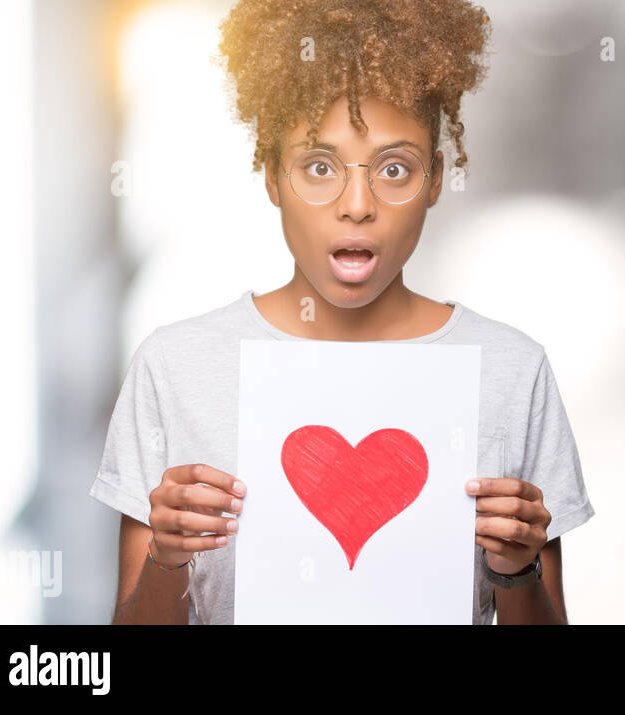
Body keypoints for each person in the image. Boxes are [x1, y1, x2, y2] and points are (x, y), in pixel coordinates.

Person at [87, 0, 594, 625]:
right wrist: (168, 558)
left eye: (395, 167)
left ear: (436, 178)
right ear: (271, 174)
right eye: (319, 166)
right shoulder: (175, 367)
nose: (357, 205)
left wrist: (517, 572)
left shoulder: (514, 373)